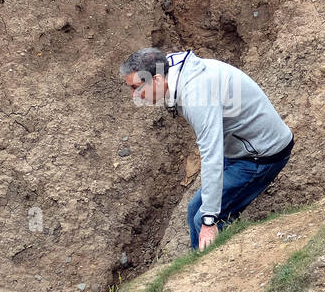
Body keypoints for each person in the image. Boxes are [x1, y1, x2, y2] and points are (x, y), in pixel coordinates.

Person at [120, 47, 294, 251]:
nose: (134, 96)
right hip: (242, 146)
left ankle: (216, 272)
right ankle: (199, 263)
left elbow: (212, 155)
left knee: (205, 220)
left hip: (261, 155)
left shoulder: (196, 95)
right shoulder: (172, 69)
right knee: (195, 209)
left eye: (136, 87)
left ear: (157, 79)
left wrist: (210, 222)